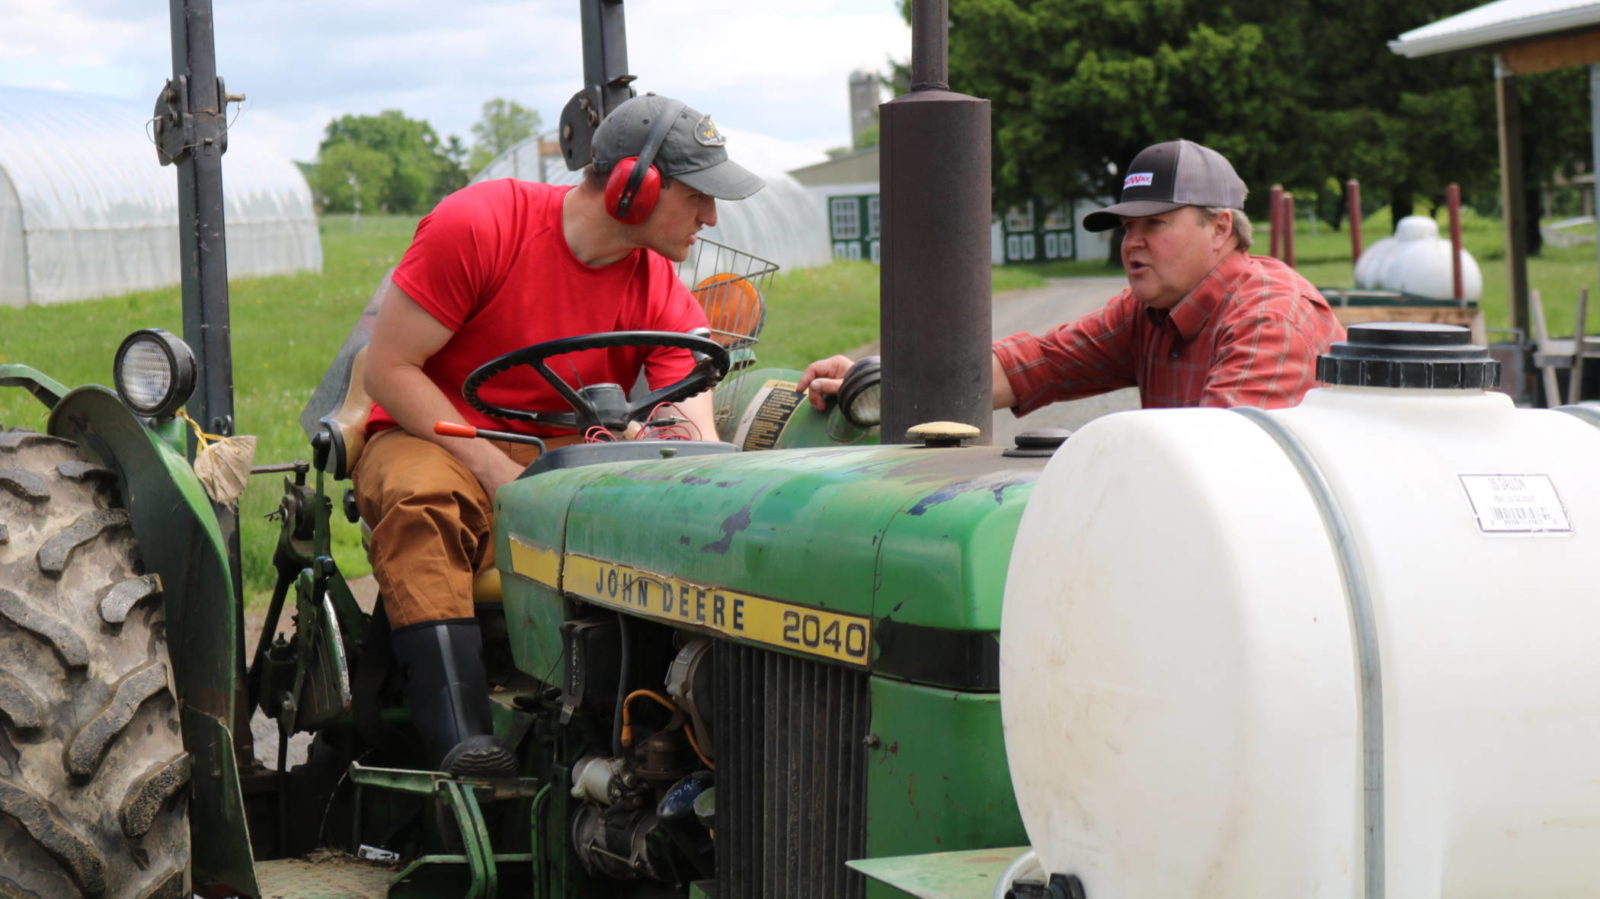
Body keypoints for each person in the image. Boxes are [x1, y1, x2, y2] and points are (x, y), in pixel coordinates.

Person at [353, 93, 763, 777]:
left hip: (563, 456)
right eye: (698, 195)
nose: (711, 217)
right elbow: (390, 370)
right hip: (436, 434)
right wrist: (495, 470)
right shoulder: (482, 225)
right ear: (636, 186)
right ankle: (461, 742)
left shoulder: (660, 289)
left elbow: (688, 422)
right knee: (422, 501)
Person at [799, 138, 1344, 417]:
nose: (1133, 242)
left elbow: (1219, 462)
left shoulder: (1269, 317)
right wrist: (879, 382)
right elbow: (1035, 364)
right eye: (1128, 226)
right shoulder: (1149, 313)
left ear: (1220, 228)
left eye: (1155, 223)